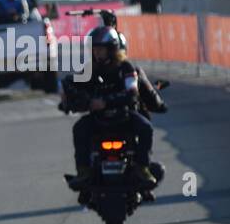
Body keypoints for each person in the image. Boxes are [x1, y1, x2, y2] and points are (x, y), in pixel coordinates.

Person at [63, 25, 164, 190]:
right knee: (79, 128)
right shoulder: (90, 69)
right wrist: (74, 98)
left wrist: (106, 102)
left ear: (112, 49)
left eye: (100, 49)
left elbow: (132, 92)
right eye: (94, 49)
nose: (97, 53)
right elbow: (70, 82)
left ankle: (142, 168)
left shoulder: (126, 68)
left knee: (146, 127)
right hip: (99, 119)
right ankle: (84, 172)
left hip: (124, 117)